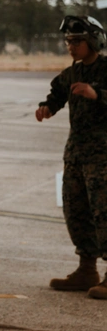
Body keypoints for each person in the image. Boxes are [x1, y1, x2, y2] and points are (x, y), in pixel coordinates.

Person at [36, 15, 107, 300]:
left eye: (76, 41)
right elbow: (56, 93)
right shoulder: (72, 74)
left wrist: (98, 94)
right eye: (68, 41)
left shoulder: (105, 70)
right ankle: (86, 270)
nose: (71, 46)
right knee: (76, 210)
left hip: (103, 156)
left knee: (105, 212)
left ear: (93, 41)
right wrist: (47, 108)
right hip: (76, 154)